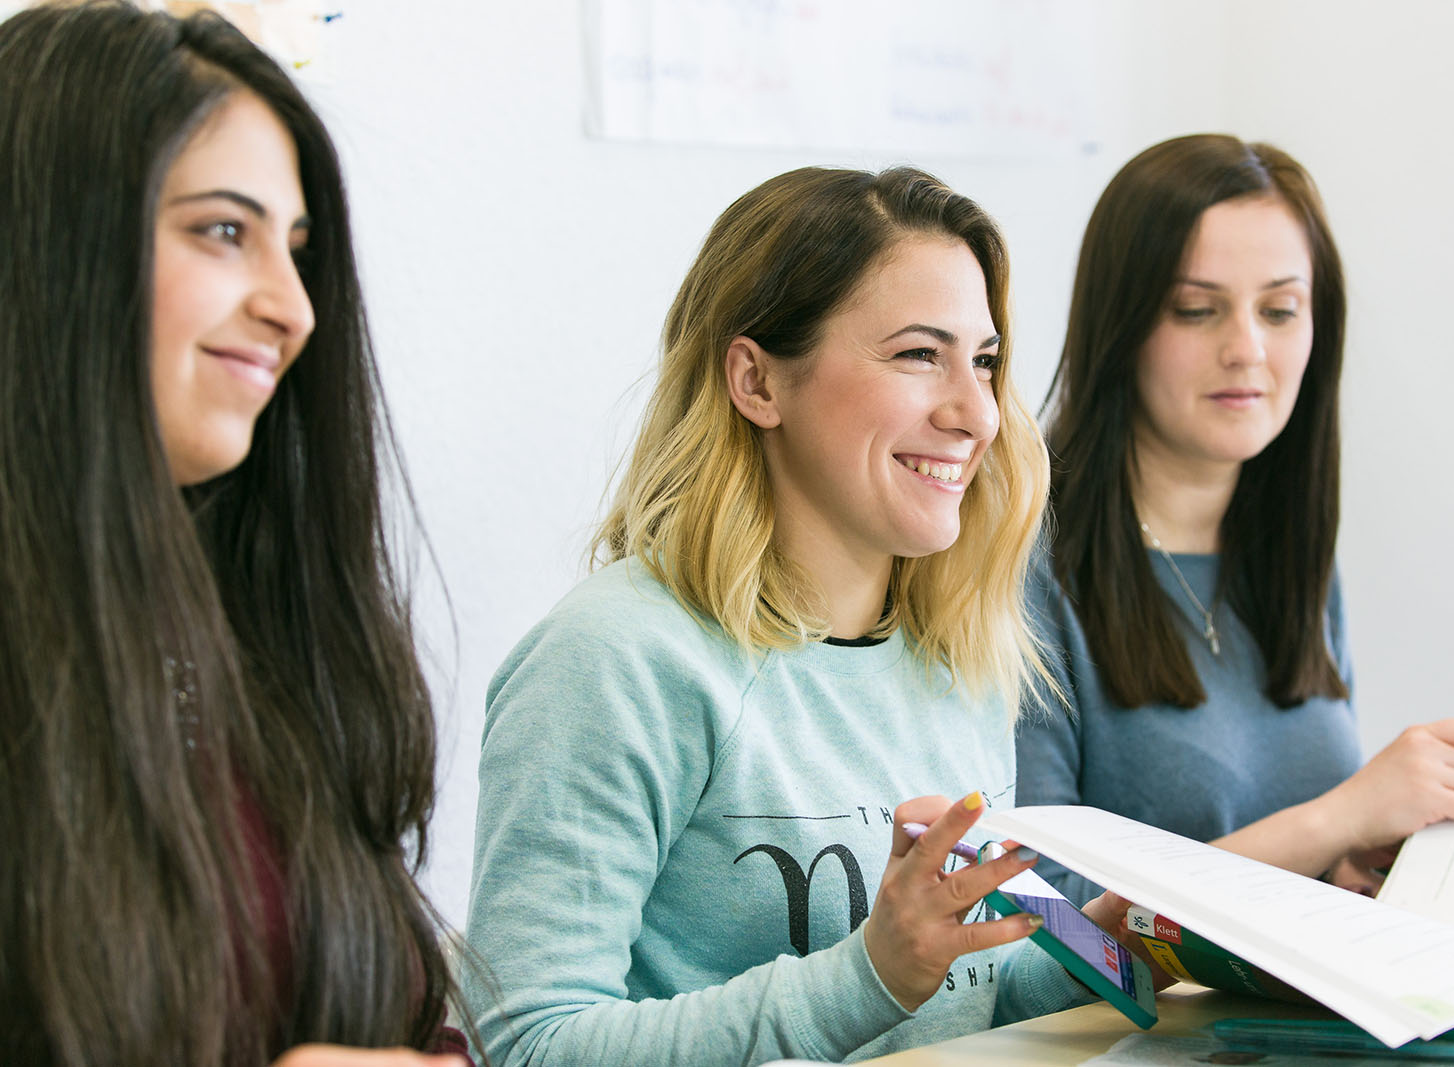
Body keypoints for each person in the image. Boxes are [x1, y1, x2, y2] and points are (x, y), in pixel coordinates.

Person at [463, 165, 1132, 1065]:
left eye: (983, 360)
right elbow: (528, 1044)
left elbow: (971, 995)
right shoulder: (612, 660)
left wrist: (1124, 949)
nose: (977, 412)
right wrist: (872, 975)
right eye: (917, 354)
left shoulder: (957, 653)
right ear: (758, 382)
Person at [0, 4, 468, 1064]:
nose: (294, 308)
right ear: (45, 241)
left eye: (296, 250)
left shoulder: (257, 639)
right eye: (223, 230)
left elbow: (383, 1013)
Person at [1015, 133, 1454, 906]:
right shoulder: (1025, 568)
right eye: (1196, 310)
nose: (1247, 349)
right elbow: (1041, 921)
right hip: (1111, 1030)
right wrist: (1337, 818)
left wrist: (1356, 859)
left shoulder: (1290, 554)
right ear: (1120, 323)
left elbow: (1299, 860)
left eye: (1280, 309)